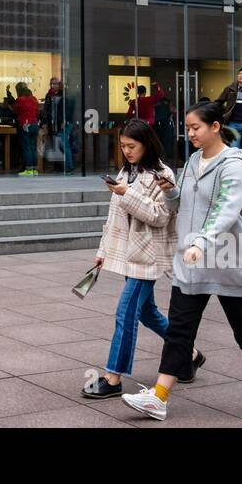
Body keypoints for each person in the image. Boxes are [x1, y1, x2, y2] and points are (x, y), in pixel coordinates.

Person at [122, 101, 242, 421]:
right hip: (193, 260)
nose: (190, 133)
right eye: (188, 127)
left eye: (196, 127)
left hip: (226, 259)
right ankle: (160, 395)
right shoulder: (194, 160)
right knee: (180, 330)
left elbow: (226, 209)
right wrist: (171, 191)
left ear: (215, 127)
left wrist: (200, 242)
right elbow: (186, 202)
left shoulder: (234, 164)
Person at [82, 119, 205, 399]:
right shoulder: (127, 172)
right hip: (130, 254)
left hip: (148, 256)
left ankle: (113, 377)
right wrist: (103, 251)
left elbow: (161, 216)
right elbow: (114, 219)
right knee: (147, 312)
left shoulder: (163, 174)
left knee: (126, 312)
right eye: (123, 146)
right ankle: (190, 353)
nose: (126, 151)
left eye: (132, 146)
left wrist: (128, 194)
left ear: (146, 144)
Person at [41, 76, 73, 173]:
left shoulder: (64, 94)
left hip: (63, 123)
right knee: (56, 144)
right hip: (53, 124)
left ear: (59, 85)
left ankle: (68, 167)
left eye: (55, 83)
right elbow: (46, 110)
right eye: (51, 83)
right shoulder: (49, 95)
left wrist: (65, 120)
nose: (52, 85)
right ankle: (58, 166)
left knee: (64, 144)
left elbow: (68, 109)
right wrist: (45, 122)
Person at [13, 82, 40, 176]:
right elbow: (37, 112)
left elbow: (15, 111)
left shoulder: (19, 100)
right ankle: (34, 169)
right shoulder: (34, 99)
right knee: (33, 147)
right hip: (35, 124)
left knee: (26, 147)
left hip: (25, 124)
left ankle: (28, 169)